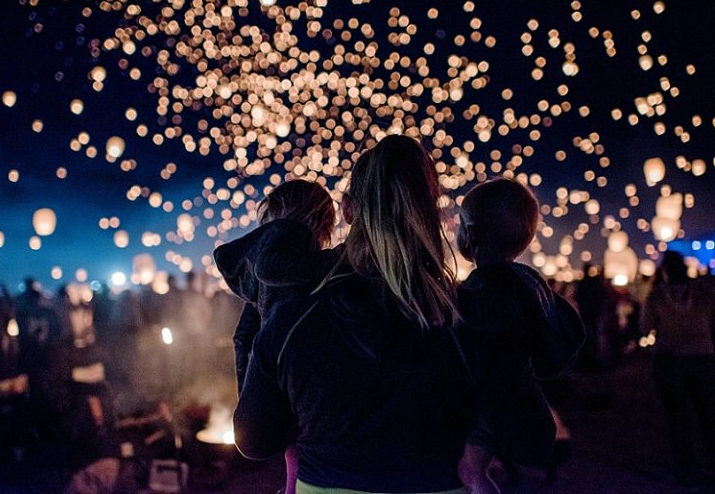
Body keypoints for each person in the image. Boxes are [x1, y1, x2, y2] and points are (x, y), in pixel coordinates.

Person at [233, 135, 556, 494]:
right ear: (433, 213)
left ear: (347, 210)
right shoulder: (471, 318)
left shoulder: (293, 321)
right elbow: (533, 440)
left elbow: (255, 441)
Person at [455, 177, 585, 493]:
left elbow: (473, 353)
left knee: (469, 474)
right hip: (526, 405)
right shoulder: (530, 283)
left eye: (460, 224)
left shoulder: (484, 291)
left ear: (470, 235)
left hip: (494, 410)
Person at [214, 179, 339, 494]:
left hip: (281, 381)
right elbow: (270, 268)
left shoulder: (273, 252)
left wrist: (251, 395)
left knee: (294, 454)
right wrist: (345, 258)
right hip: (300, 376)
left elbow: (243, 337)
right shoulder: (289, 236)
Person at [640, 251, 715, 488]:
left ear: (664, 270)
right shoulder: (704, 292)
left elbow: (645, 327)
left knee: (678, 419)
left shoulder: (656, 296)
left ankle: (687, 471)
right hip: (702, 357)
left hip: (669, 359)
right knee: (708, 416)